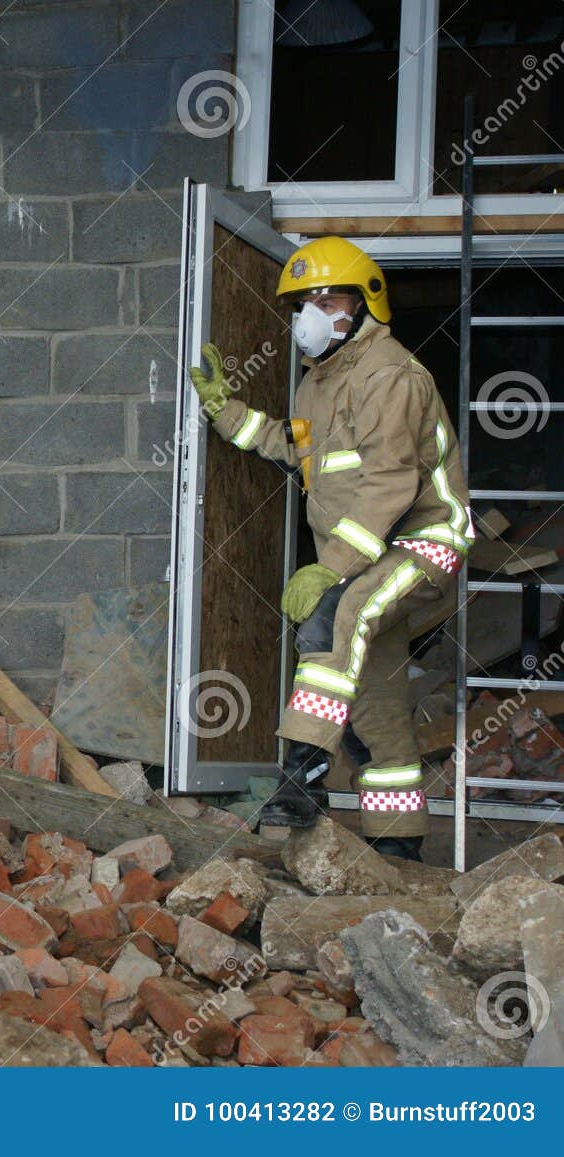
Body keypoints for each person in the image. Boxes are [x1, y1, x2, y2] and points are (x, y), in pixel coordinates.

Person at [189, 236, 471, 861]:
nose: (309, 313)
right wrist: (224, 411)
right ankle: (399, 853)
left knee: (335, 617)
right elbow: (297, 448)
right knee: (376, 710)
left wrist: (330, 569)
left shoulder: (392, 375)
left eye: (326, 297)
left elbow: (390, 483)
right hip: (368, 559)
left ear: (366, 303)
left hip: (423, 545)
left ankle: (302, 775)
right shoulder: (319, 383)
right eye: (301, 301)